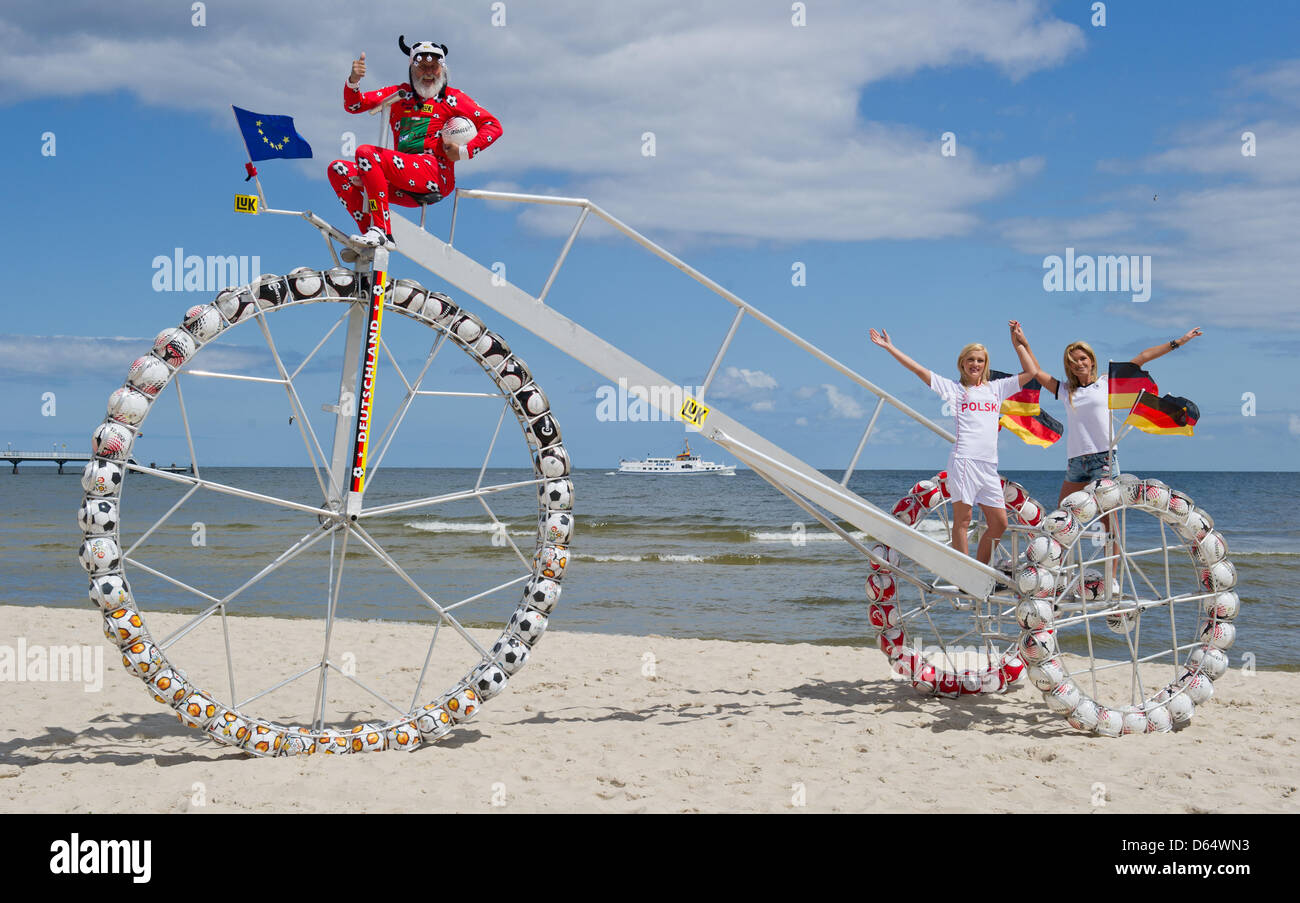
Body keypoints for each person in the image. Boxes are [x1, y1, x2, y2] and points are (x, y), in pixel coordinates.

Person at [870, 329, 1038, 565]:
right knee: (963, 519)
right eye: (970, 359)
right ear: (962, 363)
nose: (975, 364)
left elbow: (1032, 372)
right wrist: (890, 348)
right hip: (964, 461)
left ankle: (979, 568)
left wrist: (1020, 343)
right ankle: (966, 574)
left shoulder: (997, 388)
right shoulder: (954, 389)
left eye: (980, 360)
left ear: (985, 364)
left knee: (999, 523)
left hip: (989, 466)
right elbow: (919, 370)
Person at [326, 36, 503, 250]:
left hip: (435, 174)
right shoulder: (399, 94)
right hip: (399, 179)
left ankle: (383, 232)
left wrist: (464, 151)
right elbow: (354, 105)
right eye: (422, 67)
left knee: (366, 153)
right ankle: (370, 236)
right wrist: (353, 81)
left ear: (443, 69)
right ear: (412, 69)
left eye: (434, 66)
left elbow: (493, 125)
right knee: (338, 170)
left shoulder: (451, 98)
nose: (428, 72)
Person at [1008, 321, 1203, 505]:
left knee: (1107, 520)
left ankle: (1113, 543)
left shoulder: (1106, 383)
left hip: (1104, 460)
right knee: (1064, 513)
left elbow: (1142, 357)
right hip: (1076, 461)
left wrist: (1179, 342)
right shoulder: (1065, 390)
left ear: (1092, 361)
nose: (1079, 363)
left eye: (1083, 358)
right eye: (1073, 361)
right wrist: (1022, 344)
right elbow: (1035, 371)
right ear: (1069, 366)